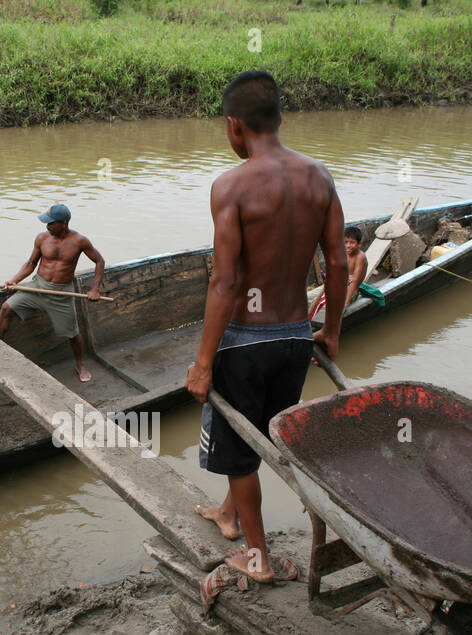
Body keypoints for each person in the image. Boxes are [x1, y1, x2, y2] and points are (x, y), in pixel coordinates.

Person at [185, 70, 349, 583]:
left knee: (241, 455)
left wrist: (204, 362)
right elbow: (338, 265)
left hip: (244, 342)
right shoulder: (318, 177)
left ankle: (257, 559)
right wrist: (332, 331)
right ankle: (229, 515)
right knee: (263, 435)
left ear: (235, 126)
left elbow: (226, 282)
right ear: (278, 118)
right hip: (296, 336)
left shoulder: (231, 186)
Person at [0, 203, 106, 383]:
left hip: (61, 294)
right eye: (46, 223)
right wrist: (15, 280)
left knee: (72, 332)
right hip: (38, 286)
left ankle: (79, 365)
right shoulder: (41, 238)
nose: (47, 226)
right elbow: (31, 264)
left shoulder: (79, 241)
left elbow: (99, 261)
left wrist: (95, 289)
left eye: (51, 223)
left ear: (64, 223)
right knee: (6, 308)